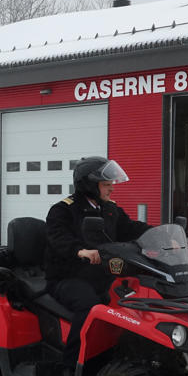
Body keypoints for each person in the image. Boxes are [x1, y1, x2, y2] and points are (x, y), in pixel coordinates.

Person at [44, 156, 150, 365]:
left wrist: (157, 235)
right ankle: (73, 366)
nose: (111, 189)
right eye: (106, 184)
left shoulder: (109, 209)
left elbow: (129, 228)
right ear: (89, 186)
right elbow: (58, 238)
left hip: (101, 275)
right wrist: (80, 251)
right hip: (67, 277)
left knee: (135, 301)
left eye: (111, 184)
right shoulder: (63, 210)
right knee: (89, 306)